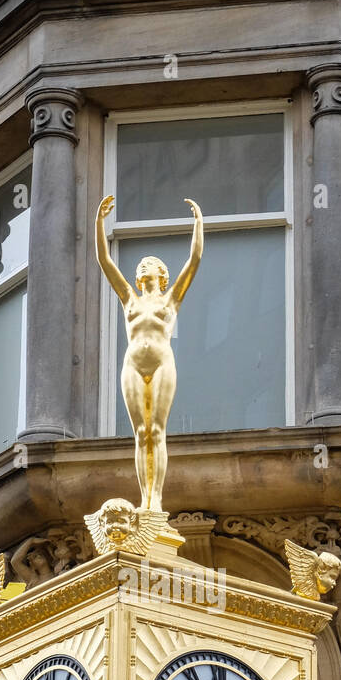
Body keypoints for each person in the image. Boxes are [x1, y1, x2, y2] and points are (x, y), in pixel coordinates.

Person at [95, 194, 203, 513]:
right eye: (141, 265)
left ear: (161, 273)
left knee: (157, 430)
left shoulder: (170, 301)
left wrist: (198, 224)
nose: (142, 267)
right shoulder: (129, 299)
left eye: (149, 264)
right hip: (133, 363)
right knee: (140, 433)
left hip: (161, 362)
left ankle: (155, 500)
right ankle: (145, 499)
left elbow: (193, 261)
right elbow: (105, 262)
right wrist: (98, 223)